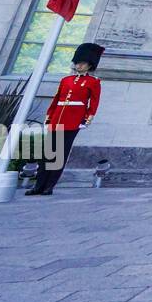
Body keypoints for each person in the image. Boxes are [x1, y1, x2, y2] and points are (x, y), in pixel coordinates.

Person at [27, 42, 103, 196]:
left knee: (60, 154)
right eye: (77, 63)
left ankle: (49, 186)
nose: (79, 66)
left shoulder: (93, 82)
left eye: (82, 63)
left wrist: (86, 119)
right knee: (47, 153)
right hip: (57, 119)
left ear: (89, 65)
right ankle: (38, 185)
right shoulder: (66, 80)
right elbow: (56, 100)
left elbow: (93, 103)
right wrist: (49, 117)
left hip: (73, 121)